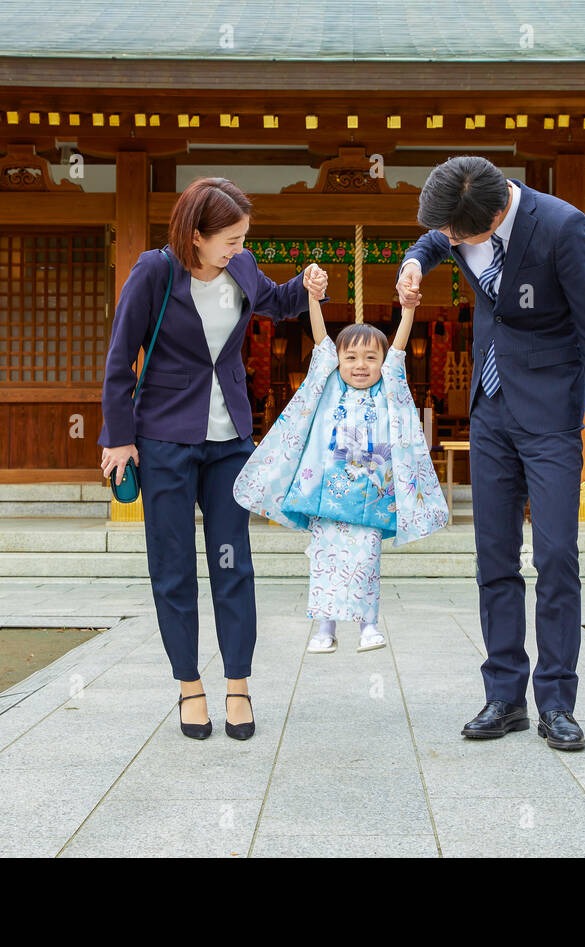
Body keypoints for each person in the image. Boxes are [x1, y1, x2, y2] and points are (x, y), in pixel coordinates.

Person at [395, 156, 585, 751]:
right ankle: (504, 696)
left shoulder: (563, 227)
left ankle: (556, 702)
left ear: (496, 215)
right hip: (489, 409)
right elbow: (433, 236)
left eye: (456, 236)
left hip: (550, 413)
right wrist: (416, 261)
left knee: (555, 558)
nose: (449, 241)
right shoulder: (456, 220)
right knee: (493, 559)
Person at [98, 176, 329, 741]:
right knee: (173, 569)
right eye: (230, 238)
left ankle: (238, 685)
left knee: (232, 565)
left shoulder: (242, 268)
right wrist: (118, 437)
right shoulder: (154, 272)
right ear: (196, 235)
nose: (239, 248)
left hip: (230, 445)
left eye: (244, 237)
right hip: (164, 440)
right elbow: (119, 356)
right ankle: (189, 688)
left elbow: (276, 303)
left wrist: (308, 284)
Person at [233, 280, 448, 654]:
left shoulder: (389, 388)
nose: (360, 365)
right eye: (350, 357)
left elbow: (399, 346)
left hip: (370, 498)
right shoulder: (330, 384)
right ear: (339, 361)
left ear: (383, 363)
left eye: (370, 358)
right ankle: (324, 627)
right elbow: (320, 341)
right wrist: (313, 300)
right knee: (325, 560)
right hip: (326, 497)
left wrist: (408, 307)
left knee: (365, 560)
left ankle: (368, 626)